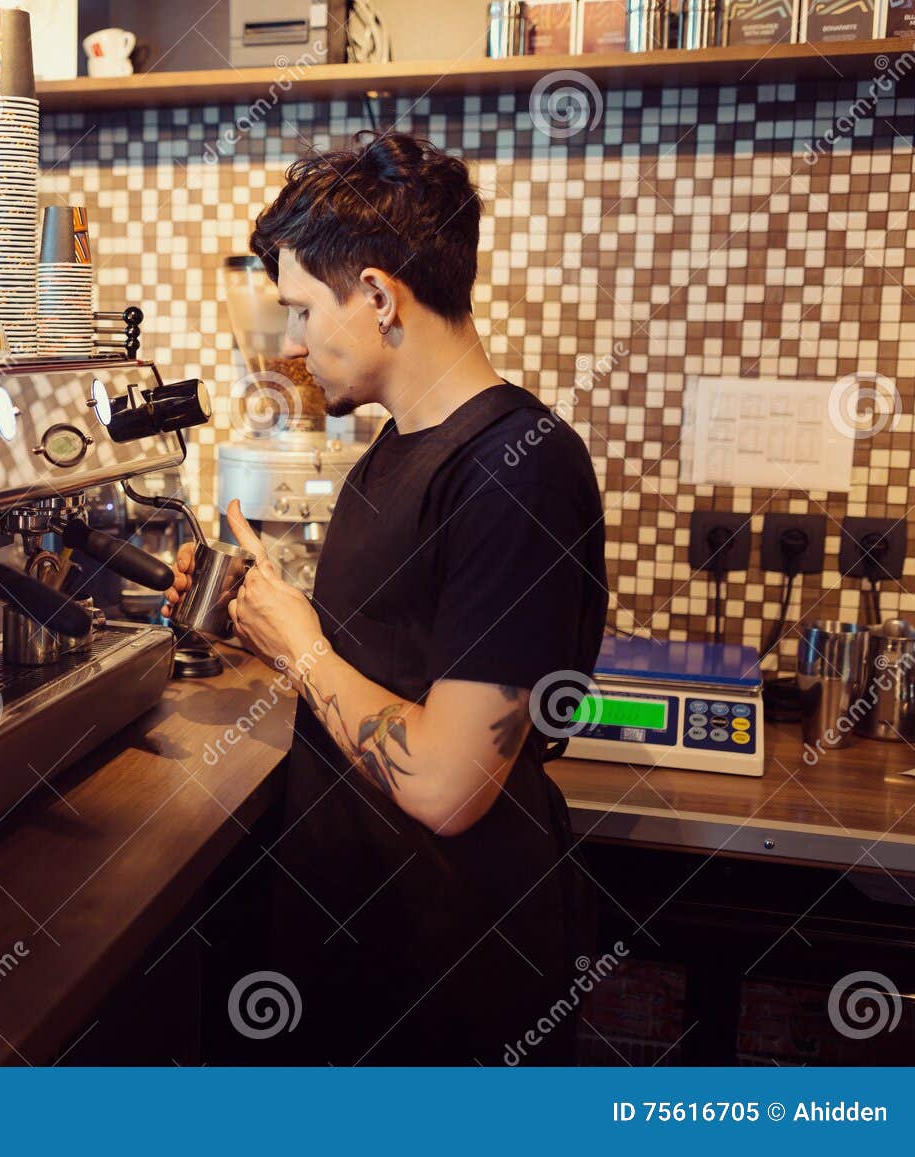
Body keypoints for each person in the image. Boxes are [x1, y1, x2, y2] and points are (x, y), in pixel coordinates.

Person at [165, 132, 607, 1065]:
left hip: (451, 977)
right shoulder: (400, 449)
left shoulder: (515, 473)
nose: (289, 345)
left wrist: (301, 648)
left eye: (299, 311)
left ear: (375, 295)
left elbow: (448, 785)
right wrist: (257, 619)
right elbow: (388, 668)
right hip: (365, 937)